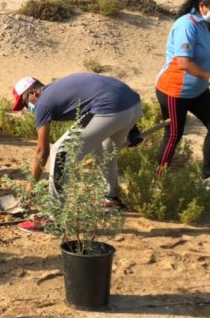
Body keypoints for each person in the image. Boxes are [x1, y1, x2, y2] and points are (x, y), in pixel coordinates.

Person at [12, 72, 143, 232]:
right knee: (104, 149)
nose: (28, 108)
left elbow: (42, 151)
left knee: (60, 152)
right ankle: (111, 198)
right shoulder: (60, 91)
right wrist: (131, 125)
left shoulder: (43, 103)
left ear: (33, 93)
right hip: (133, 105)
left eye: (25, 103)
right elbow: (108, 91)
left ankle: (54, 216)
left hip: (109, 107)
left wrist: (29, 190)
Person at [154, 0, 210, 195]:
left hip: (198, 89)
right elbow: (183, 63)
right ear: (202, 5)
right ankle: (156, 183)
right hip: (174, 89)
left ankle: (208, 178)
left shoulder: (208, 24)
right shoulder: (186, 25)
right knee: (174, 135)